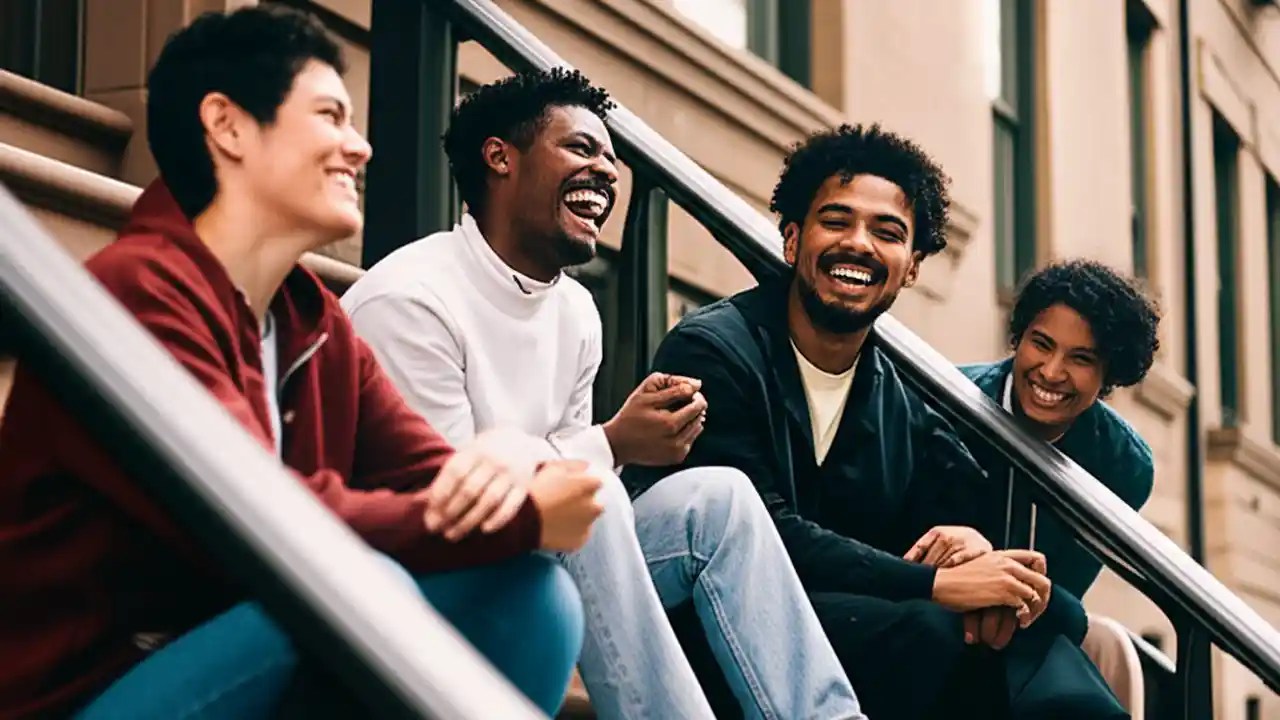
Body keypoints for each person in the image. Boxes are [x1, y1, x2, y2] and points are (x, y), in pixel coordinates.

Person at [0, 7, 599, 718]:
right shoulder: (136, 294)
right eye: (330, 116)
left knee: (532, 597)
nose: (361, 147)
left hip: (244, 648)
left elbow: (435, 474)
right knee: (362, 588)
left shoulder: (311, 322)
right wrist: (519, 516)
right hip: (94, 691)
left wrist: (509, 455)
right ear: (228, 127)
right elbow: (255, 515)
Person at [342, 69, 865, 720]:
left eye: (612, 158)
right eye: (581, 148)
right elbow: (451, 501)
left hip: (533, 546)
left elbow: (561, 476)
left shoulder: (576, 310)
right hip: (422, 571)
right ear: (500, 156)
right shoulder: (412, 300)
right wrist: (612, 442)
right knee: (590, 497)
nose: (607, 172)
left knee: (719, 497)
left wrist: (610, 447)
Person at [624, 123, 1129, 719]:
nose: (859, 244)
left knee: (997, 636)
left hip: (842, 628)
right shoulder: (713, 350)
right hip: (708, 626)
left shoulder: (906, 397)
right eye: (836, 222)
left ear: (911, 267)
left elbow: (945, 526)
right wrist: (938, 586)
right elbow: (754, 536)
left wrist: (971, 549)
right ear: (792, 239)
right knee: (938, 631)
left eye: (887, 233)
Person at [959, 259, 1159, 714]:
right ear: (1019, 337)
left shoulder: (1123, 465)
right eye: (1041, 344)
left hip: (1031, 627)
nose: (1051, 372)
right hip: (930, 608)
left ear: (1110, 373)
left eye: (1081, 358)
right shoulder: (945, 397)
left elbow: (1060, 590)